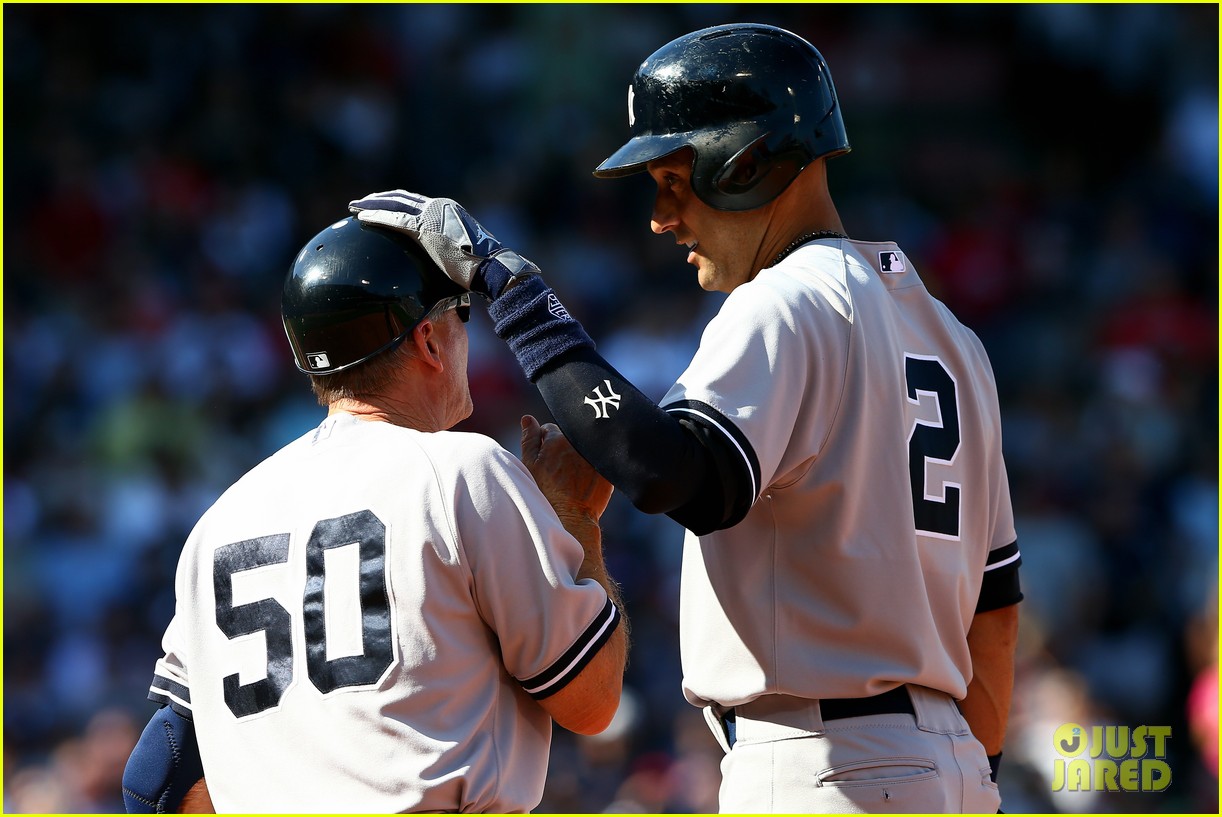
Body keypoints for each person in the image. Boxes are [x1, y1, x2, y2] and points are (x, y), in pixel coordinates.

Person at [347, 21, 1022, 814]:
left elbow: (674, 471)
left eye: (675, 181)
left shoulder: (787, 299)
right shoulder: (954, 339)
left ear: (747, 162)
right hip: (951, 766)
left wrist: (512, 287)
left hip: (824, 761)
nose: (661, 219)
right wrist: (962, 777)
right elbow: (997, 614)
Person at [121, 216, 628, 813]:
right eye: (458, 314)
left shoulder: (217, 524)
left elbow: (157, 772)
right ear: (428, 342)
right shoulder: (461, 471)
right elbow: (592, 701)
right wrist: (573, 516)